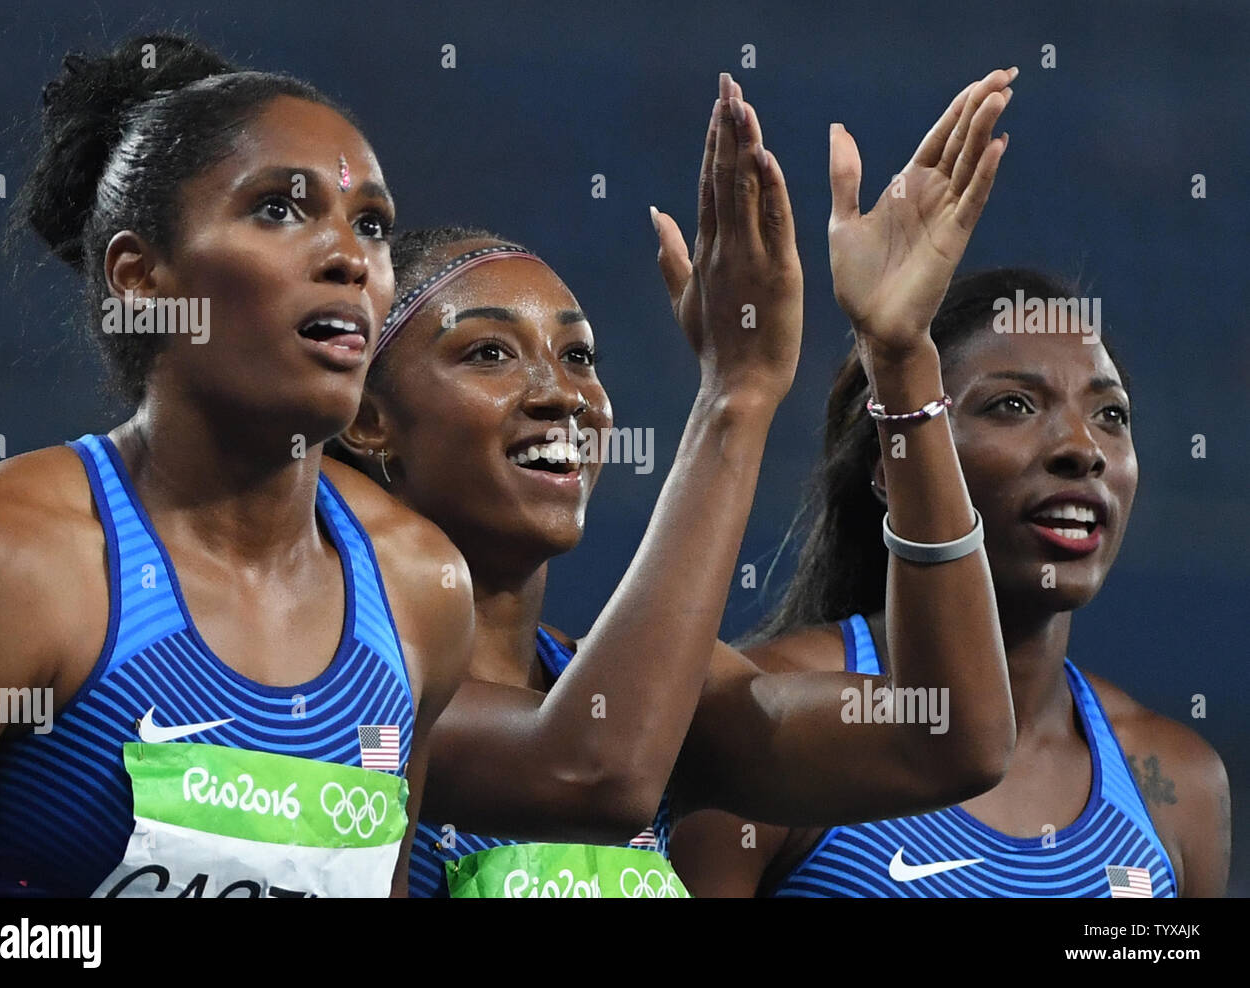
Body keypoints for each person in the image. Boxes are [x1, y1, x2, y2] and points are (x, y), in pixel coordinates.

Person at [330, 69, 1024, 896]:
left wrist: (901, 359)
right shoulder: (348, 683)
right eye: (488, 352)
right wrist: (735, 395)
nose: (563, 395)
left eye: (580, 356)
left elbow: (950, 738)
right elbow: (595, 769)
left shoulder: (657, 697)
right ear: (369, 419)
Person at [0, 34, 474, 898]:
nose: (350, 256)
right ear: (141, 275)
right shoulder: (6, 561)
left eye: (371, 224)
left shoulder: (421, 589)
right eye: (278, 209)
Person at [670, 268, 1232, 898]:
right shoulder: (757, 724)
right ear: (895, 462)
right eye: (1013, 405)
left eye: (1110, 414)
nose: (1083, 447)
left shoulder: (1178, 786)